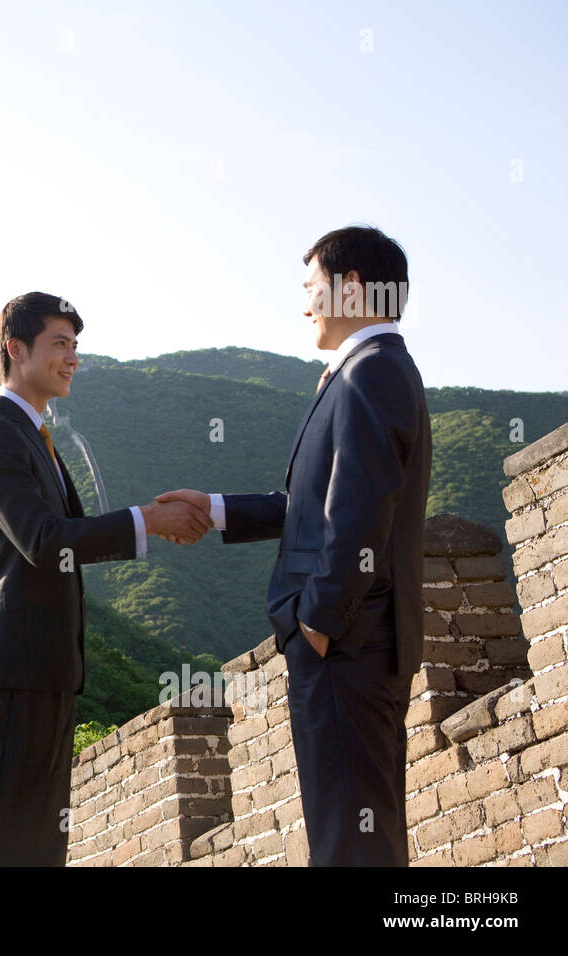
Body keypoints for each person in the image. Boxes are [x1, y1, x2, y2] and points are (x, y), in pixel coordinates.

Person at [157, 225, 431, 865]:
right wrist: (216, 509)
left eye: (311, 288)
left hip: (347, 645)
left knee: (348, 842)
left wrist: (317, 624)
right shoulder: (368, 371)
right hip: (355, 644)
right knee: (360, 833)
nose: (305, 305)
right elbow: (316, 508)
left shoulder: (371, 373)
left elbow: (360, 517)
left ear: (352, 287)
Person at [0, 291, 211, 866]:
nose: (73, 359)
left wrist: (150, 523)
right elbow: (44, 540)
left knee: (42, 837)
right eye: (60, 345)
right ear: (15, 349)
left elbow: (67, 534)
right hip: (13, 660)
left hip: (47, 661)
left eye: (76, 346)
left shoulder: (37, 435)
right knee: (1, 830)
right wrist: (148, 521)